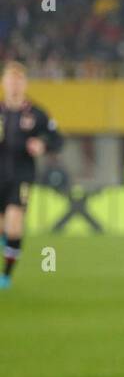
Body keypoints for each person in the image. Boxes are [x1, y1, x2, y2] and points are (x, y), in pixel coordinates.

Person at [0, 62, 62, 291]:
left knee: (14, 225)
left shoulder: (36, 113)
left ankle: (5, 277)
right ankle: (7, 241)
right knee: (3, 229)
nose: (14, 85)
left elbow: (58, 139)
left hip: (21, 177)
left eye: (18, 81)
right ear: (4, 83)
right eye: (10, 80)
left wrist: (42, 144)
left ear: (24, 84)